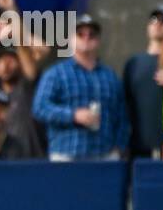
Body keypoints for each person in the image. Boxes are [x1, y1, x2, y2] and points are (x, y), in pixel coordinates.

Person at [32, 14, 128, 161]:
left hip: (104, 156)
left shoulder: (110, 77)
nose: (86, 38)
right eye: (80, 34)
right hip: (66, 155)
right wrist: (73, 115)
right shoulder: (56, 73)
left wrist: (119, 148)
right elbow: (40, 108)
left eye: (92, 35)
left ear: (98, 40)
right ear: (71, 39)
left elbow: (122, 116)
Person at [124, 7, 163, 160]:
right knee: (141, 183)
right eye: (153, 20)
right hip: (138, 146)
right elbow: (125, 104)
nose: (158, 24)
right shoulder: (134, 63)